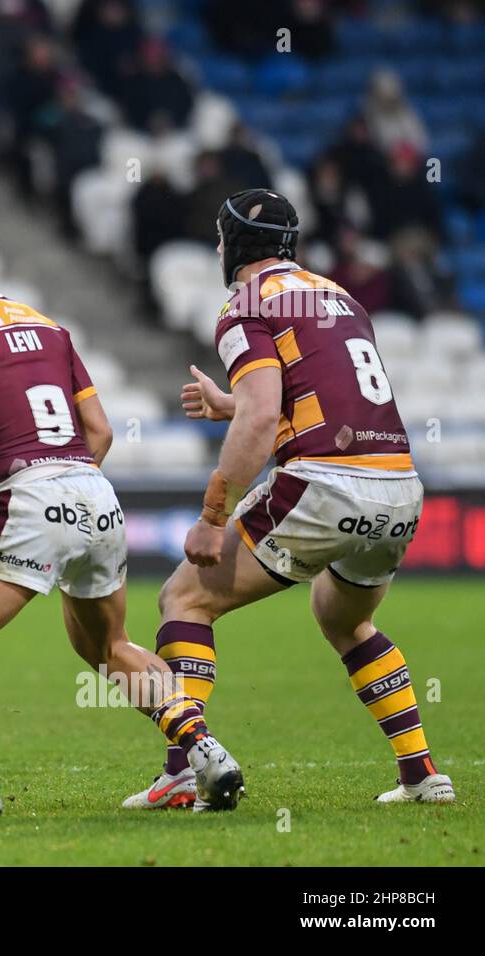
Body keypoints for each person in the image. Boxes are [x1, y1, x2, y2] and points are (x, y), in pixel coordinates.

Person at [0, 198, 245, 820]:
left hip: (28, 499)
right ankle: (205, 748)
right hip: (95, 495)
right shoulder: (50, 328)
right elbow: (100, 429)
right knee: (110, 646)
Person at [122, 189, 454, 809]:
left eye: (221, 240)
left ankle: (184, 773)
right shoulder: (339, 295)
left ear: (235, 246)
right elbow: (322, 395)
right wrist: (236, 406)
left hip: (326, 482)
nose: (218, 250)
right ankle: (422, 776)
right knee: (345, 618)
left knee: (183, 598)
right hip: (400, 487)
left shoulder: (247, 302)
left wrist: (211, 515)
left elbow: (259, 420)